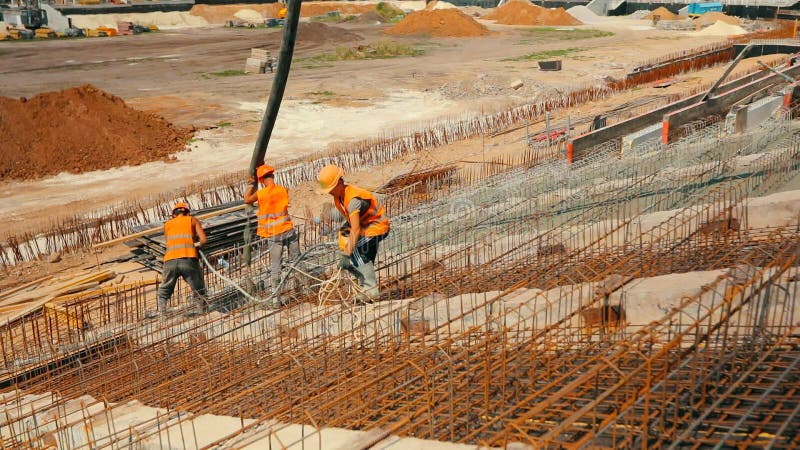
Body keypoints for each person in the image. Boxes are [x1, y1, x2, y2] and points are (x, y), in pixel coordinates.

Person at [317, 164, 390, 300]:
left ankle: (371, 290)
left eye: (331, 189)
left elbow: (355, 230)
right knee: (352, 245)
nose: (330, 192)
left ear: (340, 182)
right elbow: (349, 221)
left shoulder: (353, 200)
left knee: (354, 250)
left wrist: (346, 255)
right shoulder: (339, 197)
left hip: (376, 226)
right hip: (366, 225)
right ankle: (364, 281)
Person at [244, 164, 300, 306]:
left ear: (261, 180)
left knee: (276, 266)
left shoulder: (261, 194)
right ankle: (304, 289)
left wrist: (251, 184)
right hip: (289, 230)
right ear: (273, 176)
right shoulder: (283, 190)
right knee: (297, 260)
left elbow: (247, 199)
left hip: (274, 235)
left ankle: (276, 300)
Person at [147, 202, 208, 318]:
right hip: (188, 258)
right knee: (198, 286)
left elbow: (169, 241)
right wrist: (195, 245)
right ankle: (202, 312)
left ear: (173, 215)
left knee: (165, 287)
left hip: (169, 260)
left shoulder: (167, 224)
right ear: (187, 212)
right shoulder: (192, 220)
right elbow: (204, 240)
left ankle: (162, 313)